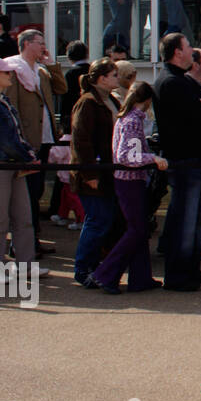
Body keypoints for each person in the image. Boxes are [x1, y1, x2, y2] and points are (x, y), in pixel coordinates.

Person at [152, 32, 201, 291]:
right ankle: (179, 275)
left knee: (194, 221)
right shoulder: (171, 82)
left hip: (196, 159)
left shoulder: (181, 80)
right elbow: (199, 113)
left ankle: (190, 269)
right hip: (186, 160)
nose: (192, 49)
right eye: (188, 45)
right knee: (185, 219)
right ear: (177, 52)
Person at [0, 57, 44, 280]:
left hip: (11, 165)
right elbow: (6, 140)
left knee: (23, 216)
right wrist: (28, 157)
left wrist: (26, 154)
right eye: (5, 73)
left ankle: (25, 264)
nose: (10, 75)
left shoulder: (0, 101)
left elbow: (14, 137)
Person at [97, 81, 166, 293]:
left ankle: (140, 277)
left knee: (138, 229)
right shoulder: (134, 121)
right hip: (130, 181)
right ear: (147, 101)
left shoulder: (123, 118)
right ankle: (107, 273)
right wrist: (153, 158)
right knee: (136, 231)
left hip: (125, 180)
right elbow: (128, 156)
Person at [4, 29, 66, 256]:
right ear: (27, 43)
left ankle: (32, 240)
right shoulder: (13, 69)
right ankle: (20, 245)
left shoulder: (41, 71)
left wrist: (50, 63)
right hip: (28, 140)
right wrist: (19, 140)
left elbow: (62, 89)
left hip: (45, 139)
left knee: (36, 191)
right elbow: (12, 107)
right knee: (26, 194)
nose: (43, 47)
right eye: (40, 43)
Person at [69, 59, 120, 288]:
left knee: (103, 220)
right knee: (97, 220)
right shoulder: (88, 103)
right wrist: (89, 174)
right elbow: (81, 140)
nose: (117, 79)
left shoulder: (111, 101)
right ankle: (83, 268)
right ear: (102, 78)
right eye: (114, 75)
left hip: (107, 171)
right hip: (94, 173)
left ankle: (92, 265)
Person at [59, 40, 90, 135]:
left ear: (68, 56)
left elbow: (66, 98)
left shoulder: (70, 74)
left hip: (75, 115)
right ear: (87, 54)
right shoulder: (92, 70)